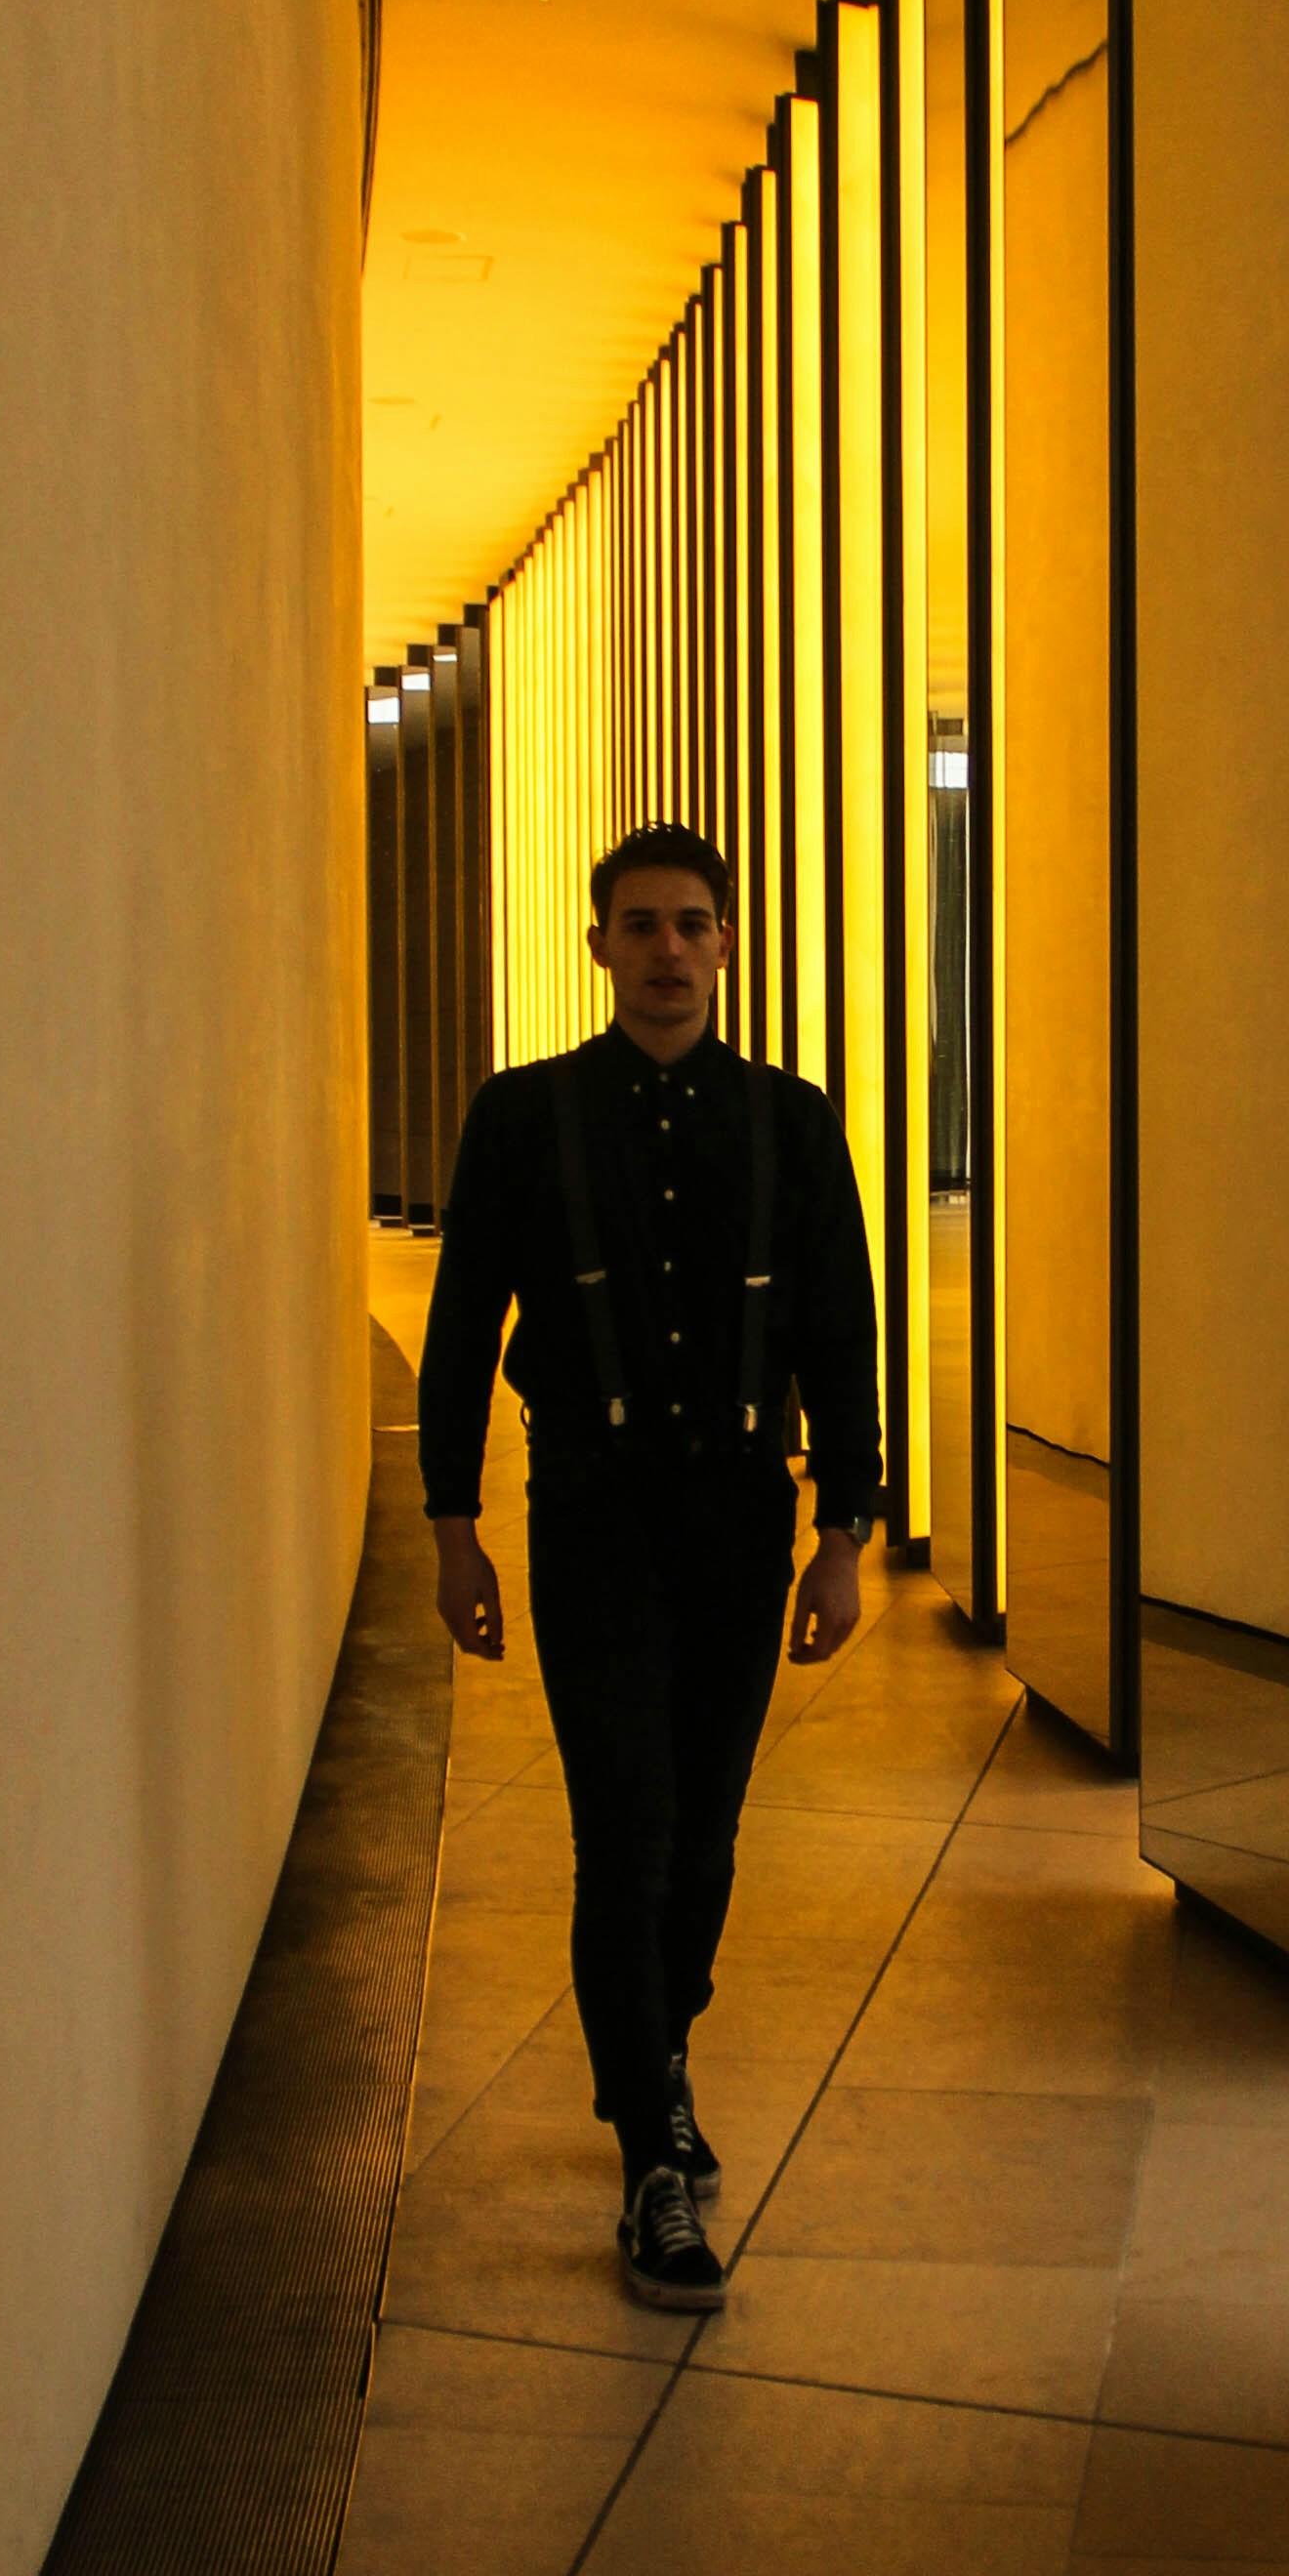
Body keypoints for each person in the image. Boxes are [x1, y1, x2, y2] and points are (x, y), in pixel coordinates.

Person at [417, 824, 882, 2309]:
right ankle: (652, 2156)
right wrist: (449, 1526)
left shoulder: (792, 1124)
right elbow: (458, 1326)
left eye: (693, 923)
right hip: (594, 1515)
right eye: (642, 924)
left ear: (726, 945)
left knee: (707, 1834)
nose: (669, 949)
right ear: (599, 945)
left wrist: (845, 1535)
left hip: (744, 1515)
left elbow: (839, 1328)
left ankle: (656, 2048)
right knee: (623, 1823)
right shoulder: (524, 1118)